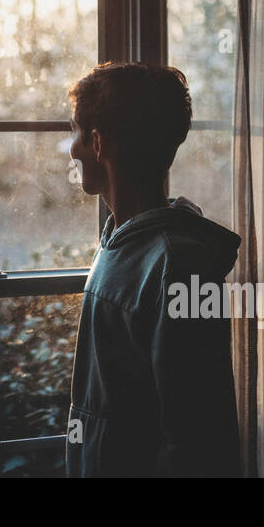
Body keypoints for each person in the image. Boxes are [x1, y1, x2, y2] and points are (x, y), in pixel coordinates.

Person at [65, 61, 242, 476]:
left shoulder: (179, 265)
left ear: (97, 142)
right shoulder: (120, 241)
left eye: (73, 130)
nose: (70, 148)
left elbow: (197, 435)